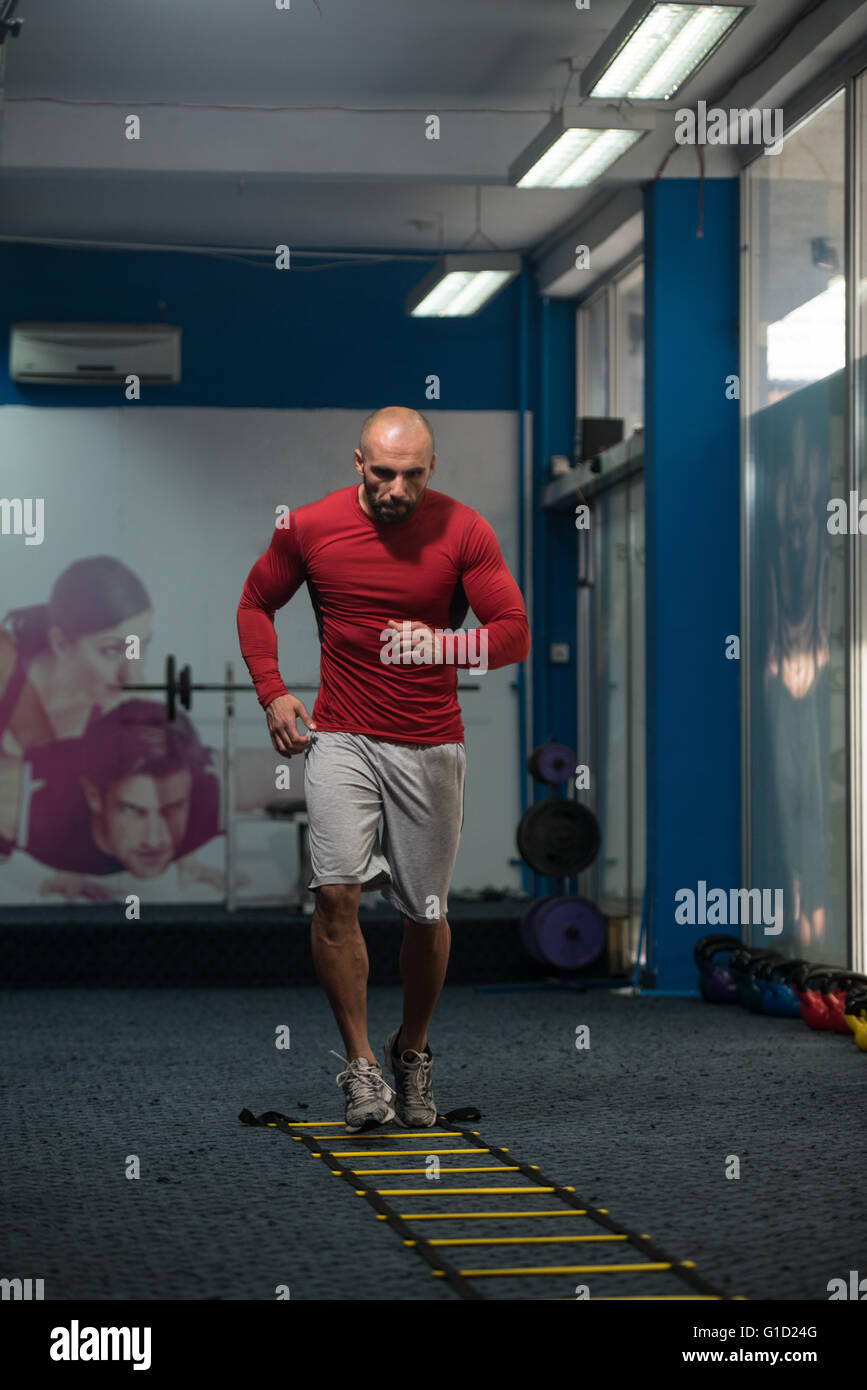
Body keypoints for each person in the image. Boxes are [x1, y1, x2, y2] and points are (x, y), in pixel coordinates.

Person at [236, 406, 530, 1132]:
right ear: (357, 463)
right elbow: (254, 603)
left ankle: (413, 1050)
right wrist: (272, 692)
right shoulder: (307, 527)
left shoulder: (463, 530)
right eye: (383, 472)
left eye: (412, 475)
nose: (396, 488)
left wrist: (440, 647)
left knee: (423, 915)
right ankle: (362, 1067)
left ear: (431, 470)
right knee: (334, 896)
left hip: (430, 744)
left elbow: (513, 634)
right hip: (340, 738)